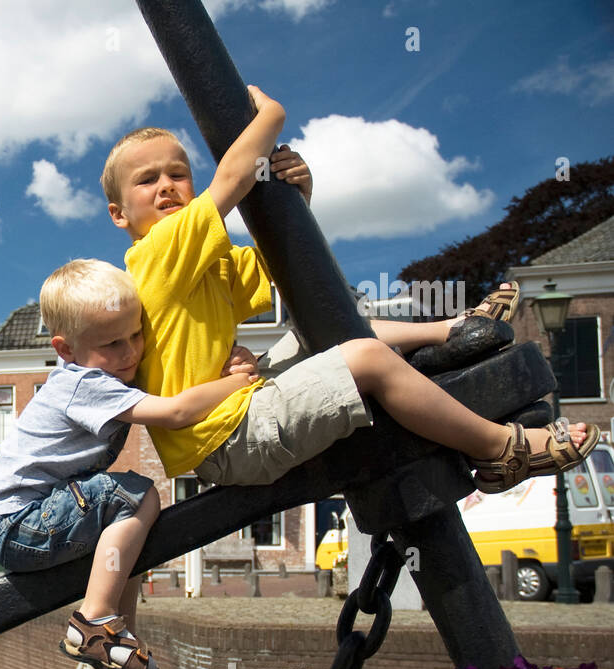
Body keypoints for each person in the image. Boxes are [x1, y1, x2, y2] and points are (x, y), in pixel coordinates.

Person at [100, 86, 600, 495]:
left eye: (177, 174)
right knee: (365, 358)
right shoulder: (156, 253)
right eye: (147, 180)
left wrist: (297, 200)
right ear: (120, 215)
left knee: (319, 330)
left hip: (235, 413)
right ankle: (500, 450)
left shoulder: (204, 260)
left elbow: (288, 267)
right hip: (226, 441)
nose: (166, 185)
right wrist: (271, 115)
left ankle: (454, 326)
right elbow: (233, 176)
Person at [0, 259, 249, 669]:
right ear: (66, 350)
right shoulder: (83, 382)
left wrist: (224, 359)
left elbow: (175, 383)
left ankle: (120, 637)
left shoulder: (103, 370)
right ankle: (94, 620)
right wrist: (236, 382)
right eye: (112, 344)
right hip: (21, 522)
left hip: (21, 523)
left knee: (128, 541)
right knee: (136, 494)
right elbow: (176, 411)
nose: (130, 354)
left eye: (136, 335)